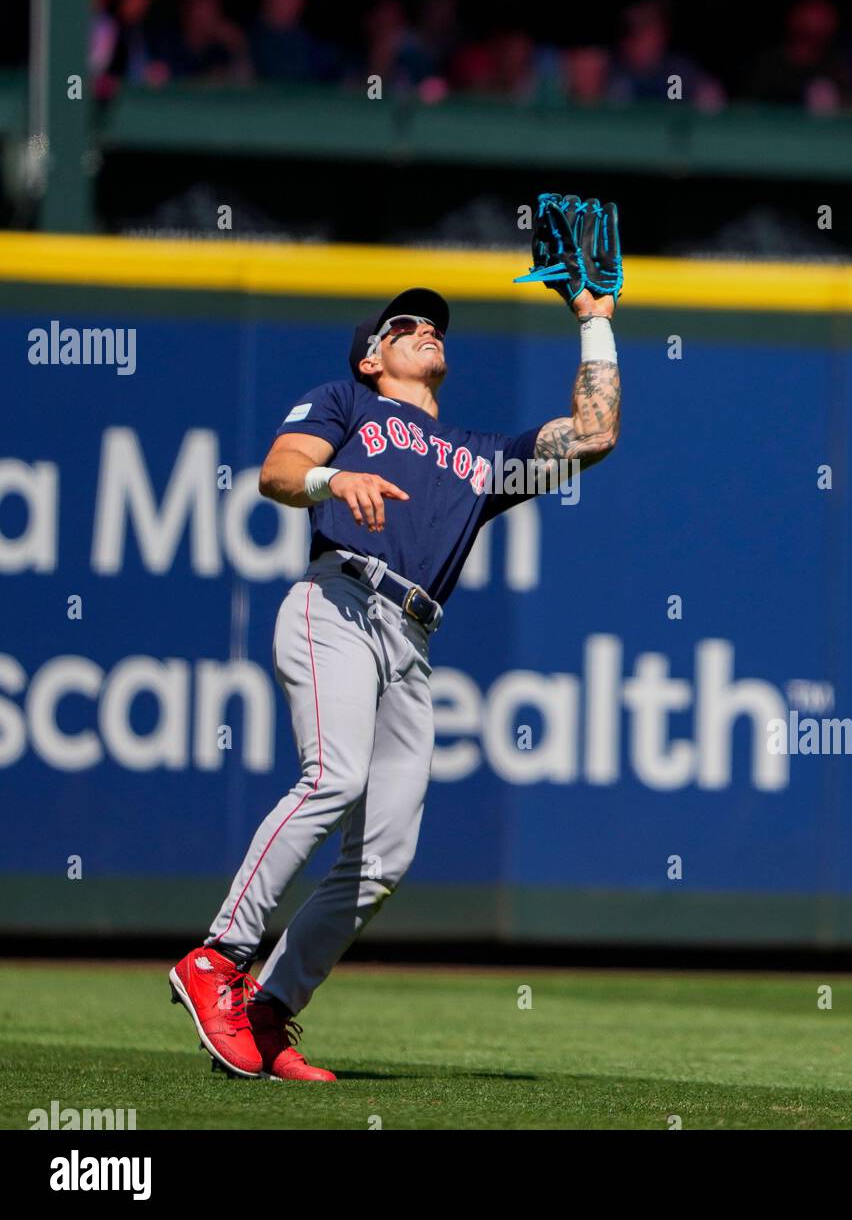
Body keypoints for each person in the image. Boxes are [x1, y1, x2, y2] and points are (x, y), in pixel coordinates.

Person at [169, 198, 623, 1081]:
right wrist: (337, 479)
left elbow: (595, 435)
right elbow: (278, 472)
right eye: (404, 323)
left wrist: (595, 321)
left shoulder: (481, 458)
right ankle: (217, 955)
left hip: (411, 640)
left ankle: (266, 1014)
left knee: (384, 860)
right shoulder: (348, 399)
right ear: (373, 355)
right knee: (333, 777)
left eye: (432, 323)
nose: (424, 328)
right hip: (336, 599)